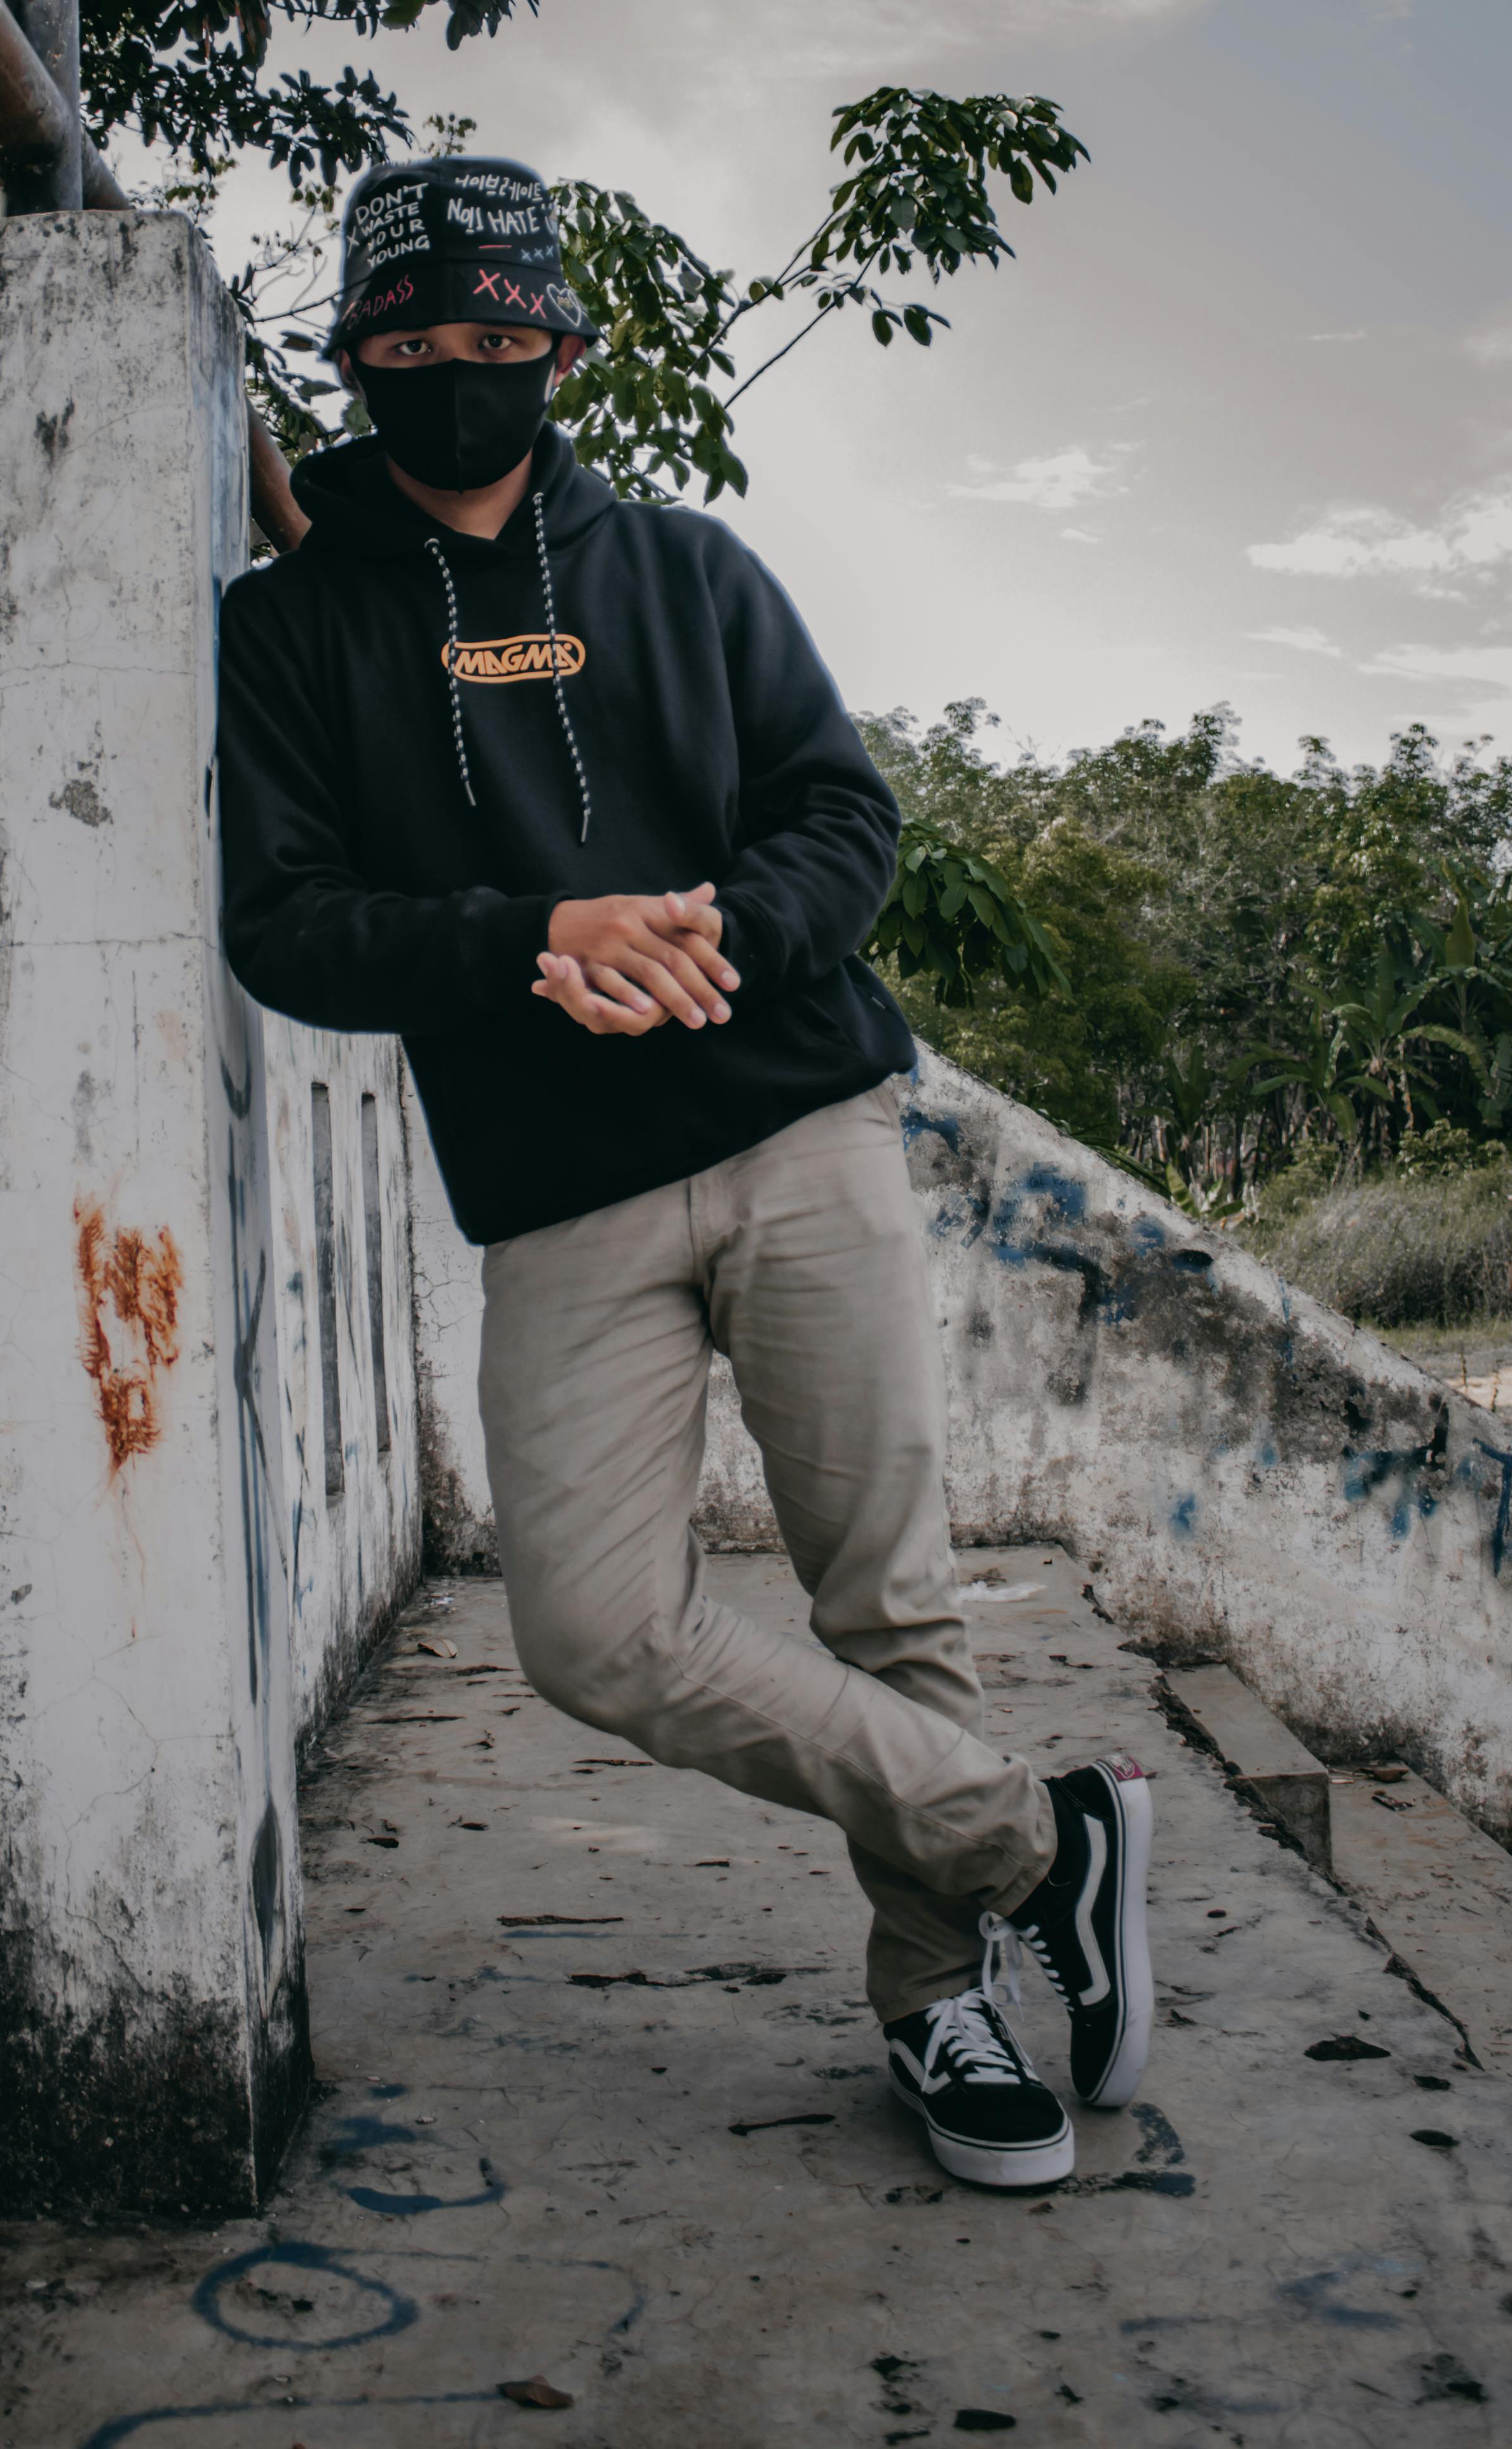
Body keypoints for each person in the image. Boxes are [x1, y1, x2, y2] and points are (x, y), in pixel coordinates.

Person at [217, 153, 1152, 2190]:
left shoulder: (689, 571)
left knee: (884, 1590)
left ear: (560, 348)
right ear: (354, 357)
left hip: (798, 1124)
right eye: (411, 338)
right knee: (598, 1633)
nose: (457, 367)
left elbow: (842, 815)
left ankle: (938, 2005)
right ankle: (1038, 1843)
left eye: (494, 333)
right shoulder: (290, 628)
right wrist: (526, 942)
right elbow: (283, 923)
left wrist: (713, 939)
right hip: (561, 1193)